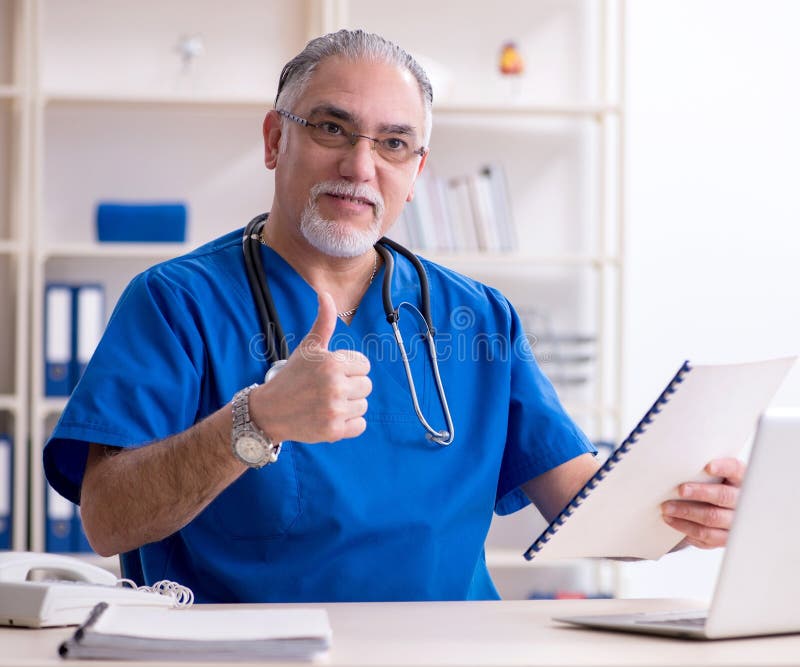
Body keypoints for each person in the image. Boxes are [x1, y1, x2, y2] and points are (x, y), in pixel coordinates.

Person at [43, 30, 745, 603]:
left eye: (393, 142)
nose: (359, 164)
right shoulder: (177, 302)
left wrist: (686, 511)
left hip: (450, 652)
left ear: (417, 170)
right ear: (272, 140)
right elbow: (107, 519)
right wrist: (253, 422)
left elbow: (579, 502)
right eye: (330, 126)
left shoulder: (478, 318)